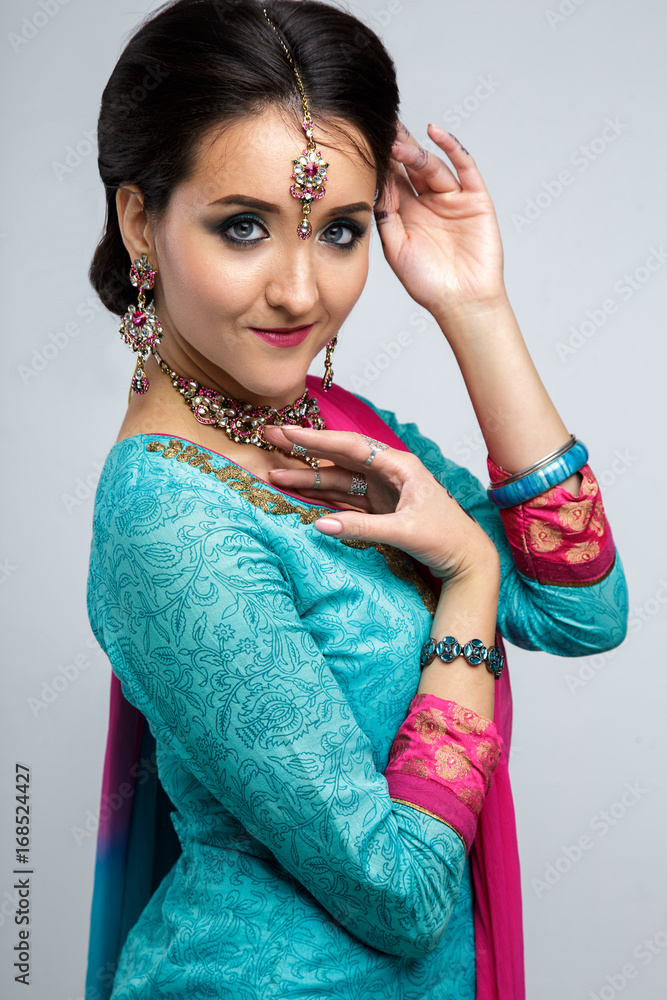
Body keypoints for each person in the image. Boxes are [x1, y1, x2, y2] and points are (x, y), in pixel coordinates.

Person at [83, 1, 628, 998]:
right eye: (241, 226)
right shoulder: (169, 519)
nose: (301, 290)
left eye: (337, 231)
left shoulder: (321, 422)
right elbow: (404, 896)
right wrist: (463, 579)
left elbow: (580, 609)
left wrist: (474, 305)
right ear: (137, 221)